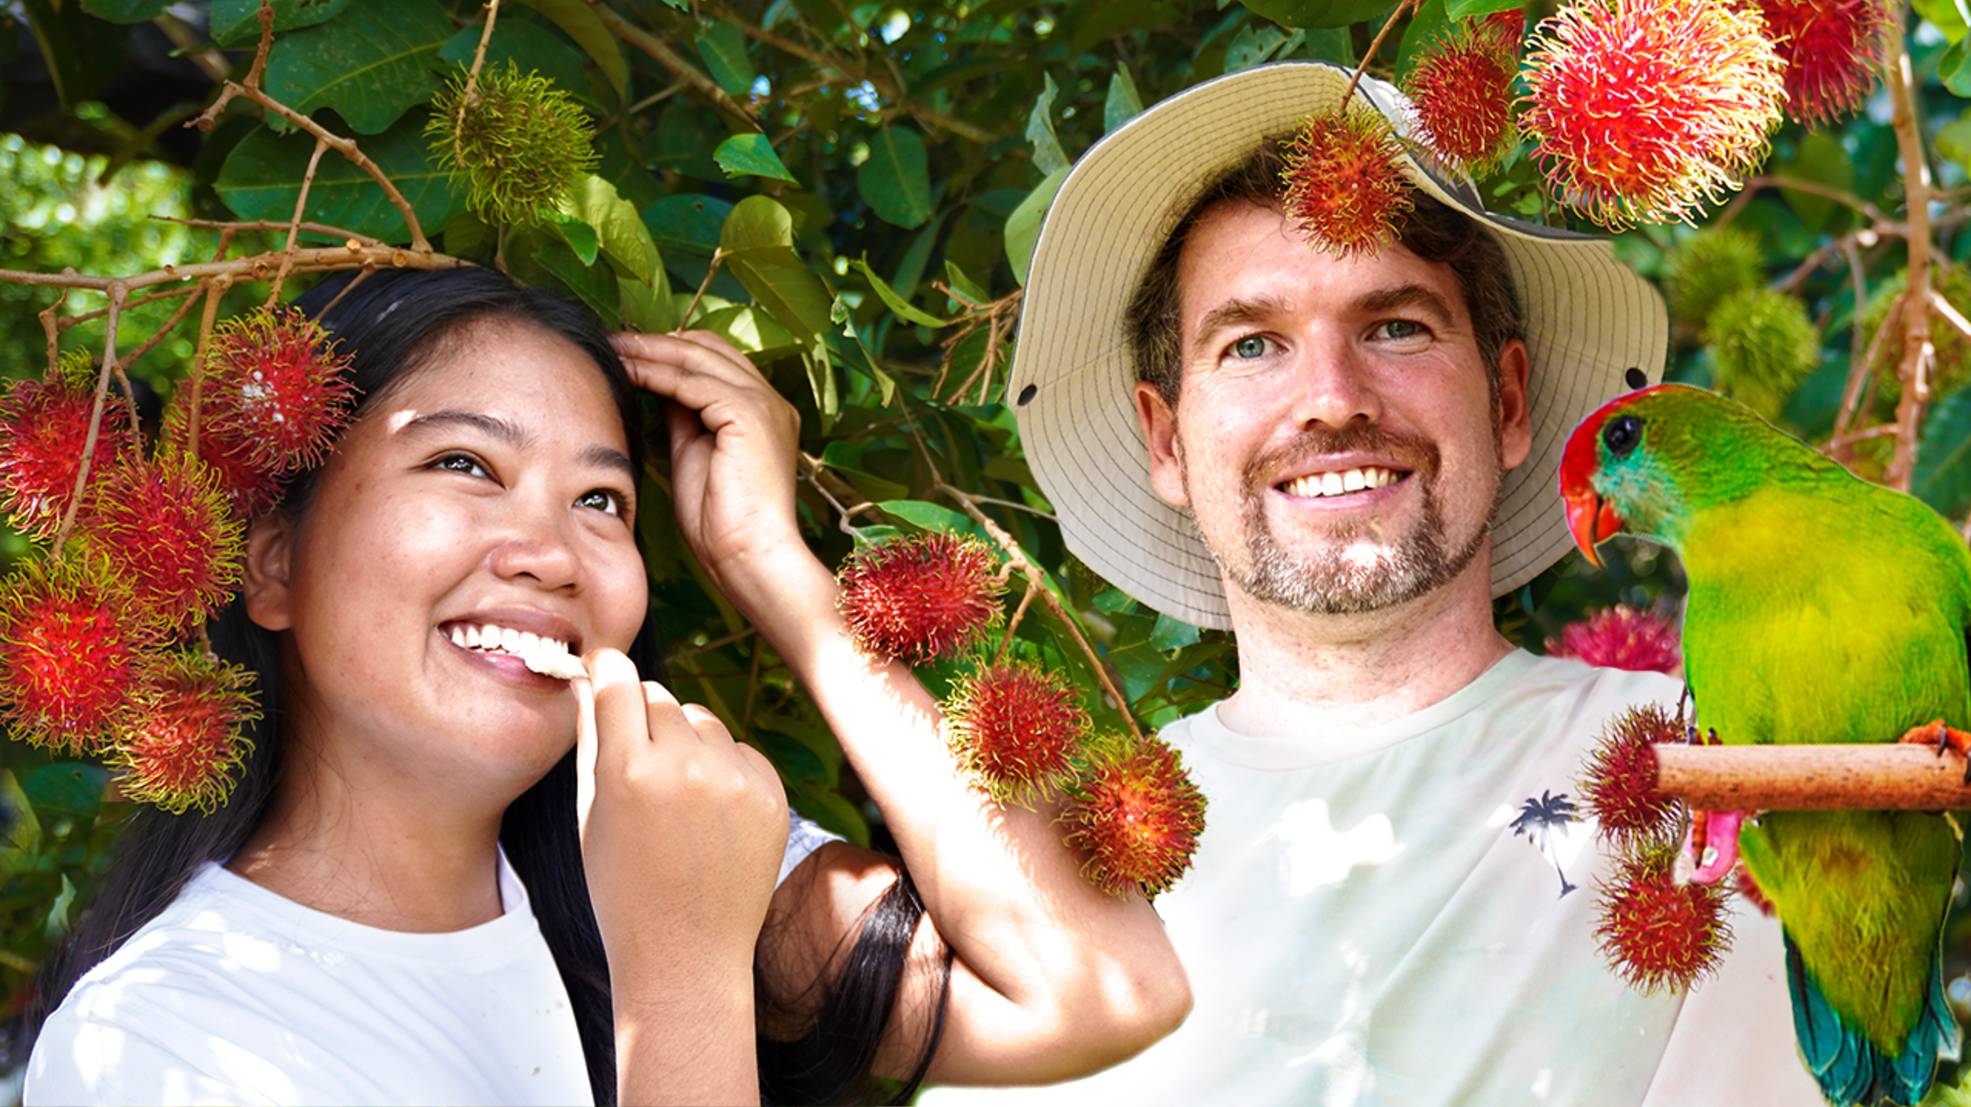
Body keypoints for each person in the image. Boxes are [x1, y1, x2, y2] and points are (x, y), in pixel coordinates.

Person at [20, 265, 1190, 1105]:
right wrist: (679, 973)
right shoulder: (165, 1043)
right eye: (466, 464)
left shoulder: (642, 867)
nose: (552, 552)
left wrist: (775, 570)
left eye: (602, 501)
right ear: (272, 560)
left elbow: (1102, 986)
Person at [923, 62, 1825, 1105]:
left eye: (1396, 327)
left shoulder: (1719, 766)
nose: (1332, 400)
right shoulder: (1072, 875)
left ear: (1510, 400)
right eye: (1253, 344)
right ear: (1166, 442)